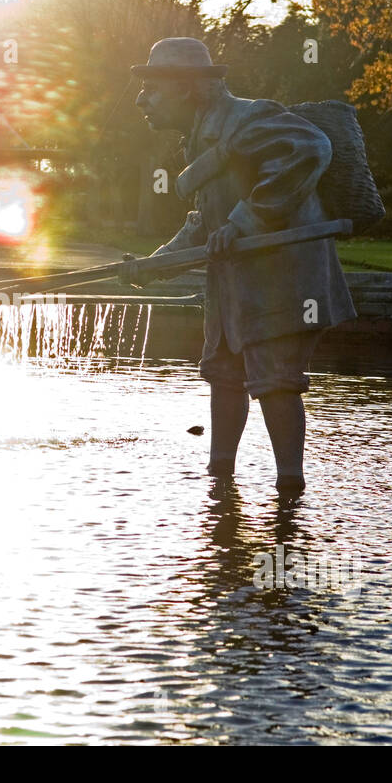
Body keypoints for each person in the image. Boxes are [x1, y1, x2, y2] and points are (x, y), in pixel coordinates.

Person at [119, 38, 355, 497]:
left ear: (187, 88)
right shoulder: (202, 134)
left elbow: (312, 147)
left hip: (283, 278)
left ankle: (290, 487)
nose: (140, 98)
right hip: (235, 279)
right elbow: (204, 225)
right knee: (223, 371)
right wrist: (154, 265)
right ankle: (220, 475)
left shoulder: (248, 117)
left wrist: (243, 221)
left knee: (275, 376)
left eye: (151, 87)